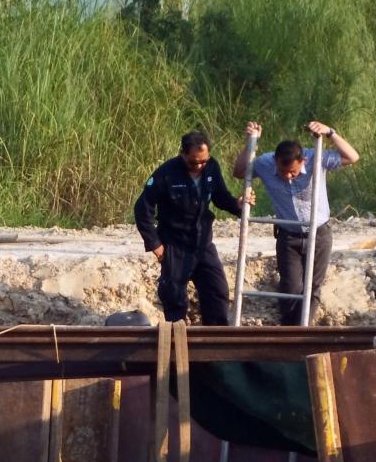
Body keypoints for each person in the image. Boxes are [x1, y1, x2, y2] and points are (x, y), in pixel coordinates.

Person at [232, 120, 359, 325]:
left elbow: (352, 157)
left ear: (303, 162)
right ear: (275, 161)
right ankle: (289, 332)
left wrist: (330, 133)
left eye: (294, 172)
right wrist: (250, 143)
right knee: (291, 288)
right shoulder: (265, 163)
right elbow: (239, 172)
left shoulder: (316, 158)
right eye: (283, 173)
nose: (289, 178)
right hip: (288, 235)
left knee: (312, 288)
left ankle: (301, 332)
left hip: (319, 234)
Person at [134, 130, 249, 326]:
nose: (199, 166)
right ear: (183, 154)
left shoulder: (211, 168)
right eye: (194, 162)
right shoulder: (167, 173)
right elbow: (142, 208)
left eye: (203, 161)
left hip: (203, 243)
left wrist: (237, 205)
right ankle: (178, 343)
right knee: (174, 296)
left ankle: (214, 346)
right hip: (175, 244)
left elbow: (220, 196)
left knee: (217, 291)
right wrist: (154, 244)